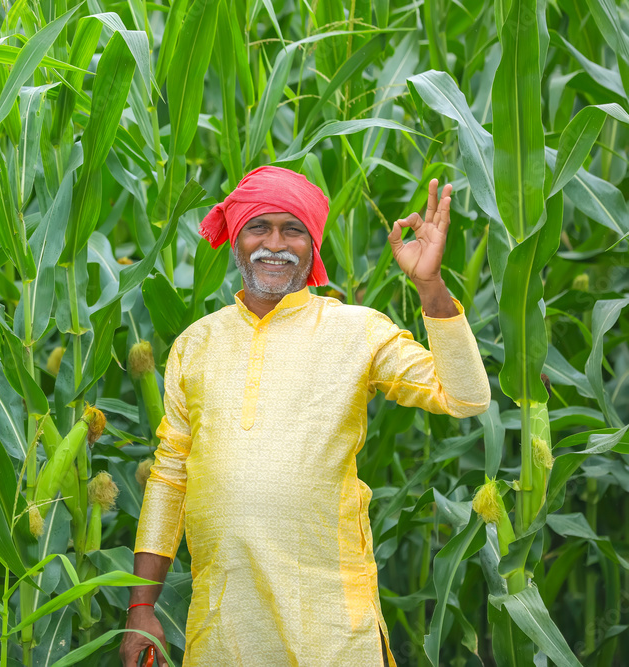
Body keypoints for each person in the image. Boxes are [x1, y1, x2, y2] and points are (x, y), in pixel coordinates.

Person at [119, 166, 491, 666]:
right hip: (224, 629)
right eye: (259, 227)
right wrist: (141, 606)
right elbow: (169, 478)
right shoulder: (196, 344)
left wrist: (430, 287)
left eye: (293, 229)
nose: (275, 243)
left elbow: (466, 398)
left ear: (313, 245)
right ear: (236, 240)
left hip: (331, 628)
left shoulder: (355, 330)